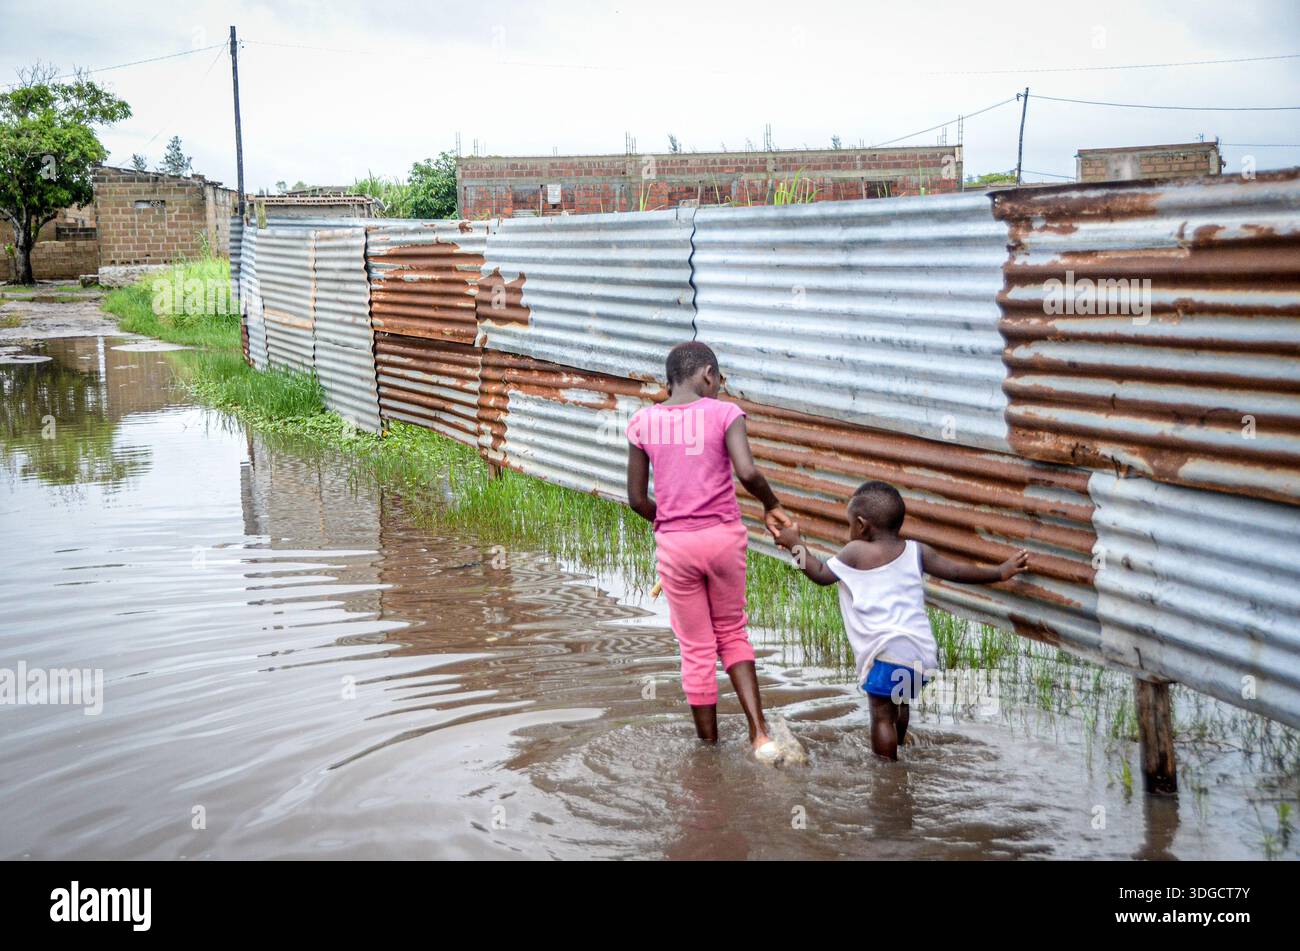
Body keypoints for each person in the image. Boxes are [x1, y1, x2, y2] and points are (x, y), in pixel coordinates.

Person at [772, 480, 1029, 760]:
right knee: (899, 704)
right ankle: (901, 747)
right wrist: (1000, 572)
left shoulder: (856, 552)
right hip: (922, 655)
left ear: (861, 525)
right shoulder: (916, 551)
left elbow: (819, 574)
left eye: (849, 525)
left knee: (881, 717)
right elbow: (955, 571)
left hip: (888, 653)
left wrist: (794, 545)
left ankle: (887, 773)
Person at [626, 341, 793, 760]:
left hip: (676, 546)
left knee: (696, 648)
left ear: (669, 383)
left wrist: (674, 521)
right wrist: (772, 505)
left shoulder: (643, 422)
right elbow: (748, 471)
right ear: (708, 375)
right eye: (718, 381)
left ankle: (709, 750)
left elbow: (636, 500)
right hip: (722, 539)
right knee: (732, 633)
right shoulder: (723, 413)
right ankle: (760, 735)